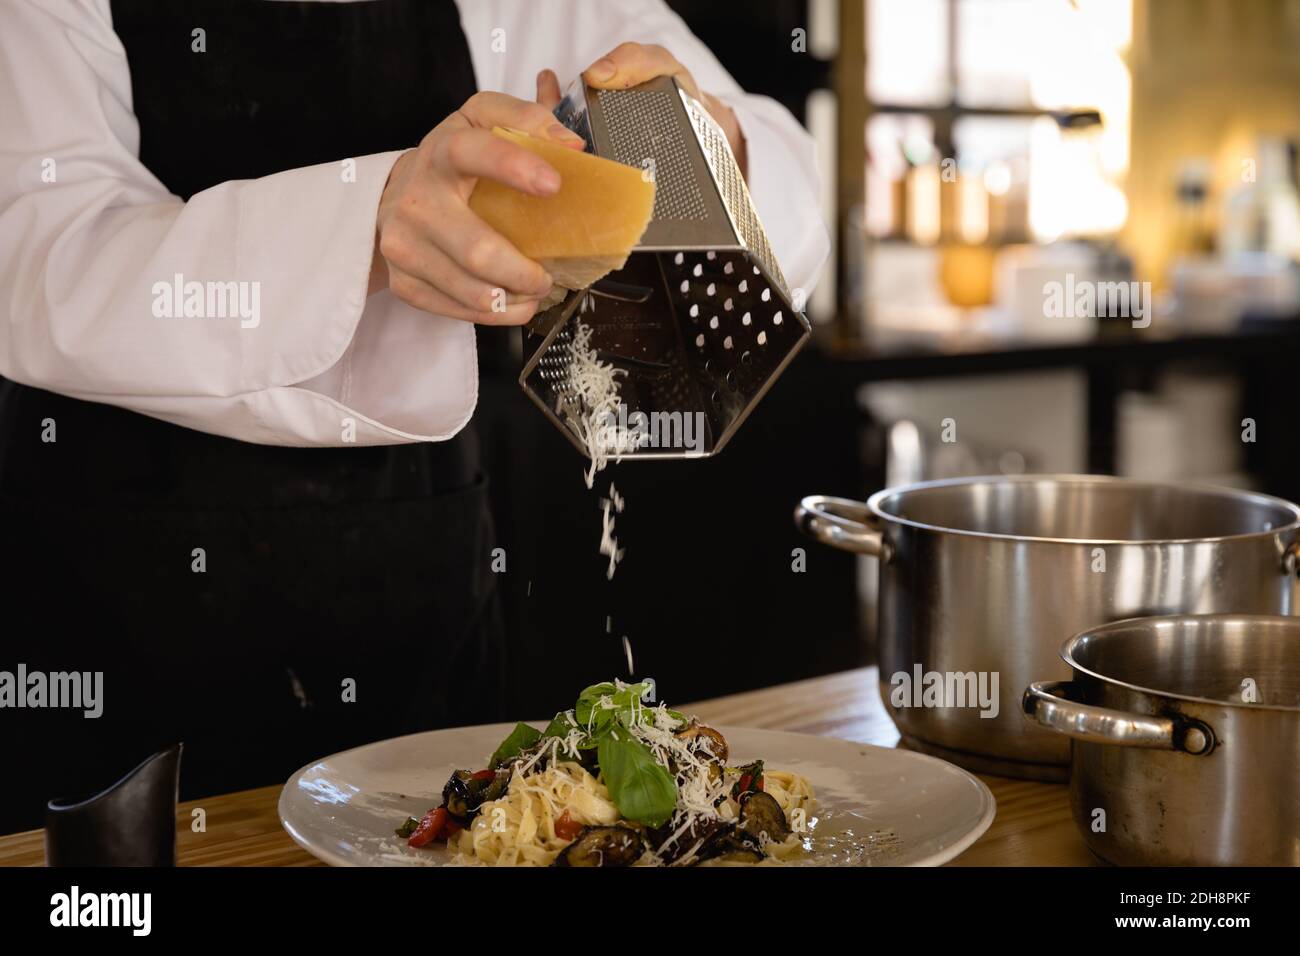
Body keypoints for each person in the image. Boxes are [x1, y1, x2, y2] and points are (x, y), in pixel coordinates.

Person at [0, 0, 828, 831]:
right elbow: (36, 247)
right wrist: (367, 222)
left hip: (420, 584)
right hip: (116, 604)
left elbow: (790, 177)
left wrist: (712, 147)